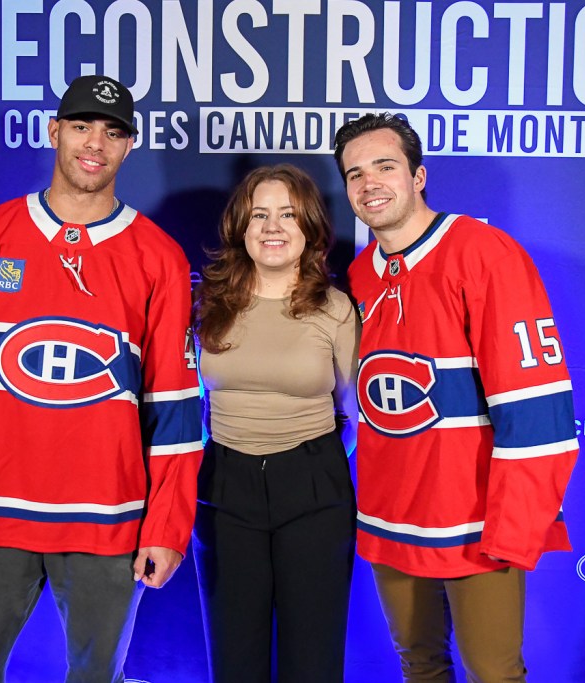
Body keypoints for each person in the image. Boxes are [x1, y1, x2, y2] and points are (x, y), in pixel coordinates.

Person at [0, 75, 202, 683]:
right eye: (80, 126)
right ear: (54, 132)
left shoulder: (158, 257)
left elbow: (177, 408)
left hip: (109, 518)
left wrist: (168, 526)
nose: (95, 142)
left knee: (96, 678)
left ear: (130, 146)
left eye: (113, 131)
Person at [332, 113, 578, 683]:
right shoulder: (363, 272)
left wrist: (513, 527)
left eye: (385, 166)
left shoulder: (483, 253)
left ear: (418, 176)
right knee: (419, 665)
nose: (370, 183)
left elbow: (536, 405)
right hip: (392, 515)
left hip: (472, 520)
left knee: (492, 671)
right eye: (355, 173)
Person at [192, 164, 360, 683]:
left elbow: (352, 413)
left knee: (312, 659)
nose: (273, 227)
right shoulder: (206, 306)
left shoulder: (334, 309)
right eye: (260, 214)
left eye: (288, 214)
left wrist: (309, 464)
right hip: (222, 488)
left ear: (309, 227)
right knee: (234, 657)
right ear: (241, 227)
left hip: (313, 488)